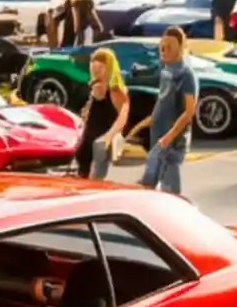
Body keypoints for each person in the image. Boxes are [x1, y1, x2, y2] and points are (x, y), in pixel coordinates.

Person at [127, 26, 198, 194]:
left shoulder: (185, 75)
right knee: (150, 185)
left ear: (180, 48)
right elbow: (161, 105)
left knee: (170, 191)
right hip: (158, 138)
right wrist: (138, 128)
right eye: (162, 48)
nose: (164, 52)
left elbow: (189, 112)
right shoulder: (166, 72)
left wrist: (169, 136)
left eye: (169, 48)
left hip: (171, 142)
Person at [75, 47, 130, 179]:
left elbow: (122, 116)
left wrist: (108, 137)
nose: (96, 74)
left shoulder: (115, 90)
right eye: (94, 70)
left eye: (99, 70)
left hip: (101, 145)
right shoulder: (95, 88)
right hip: (87, 146)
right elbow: (90, 113)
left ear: (108, 69)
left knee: (96, 182)